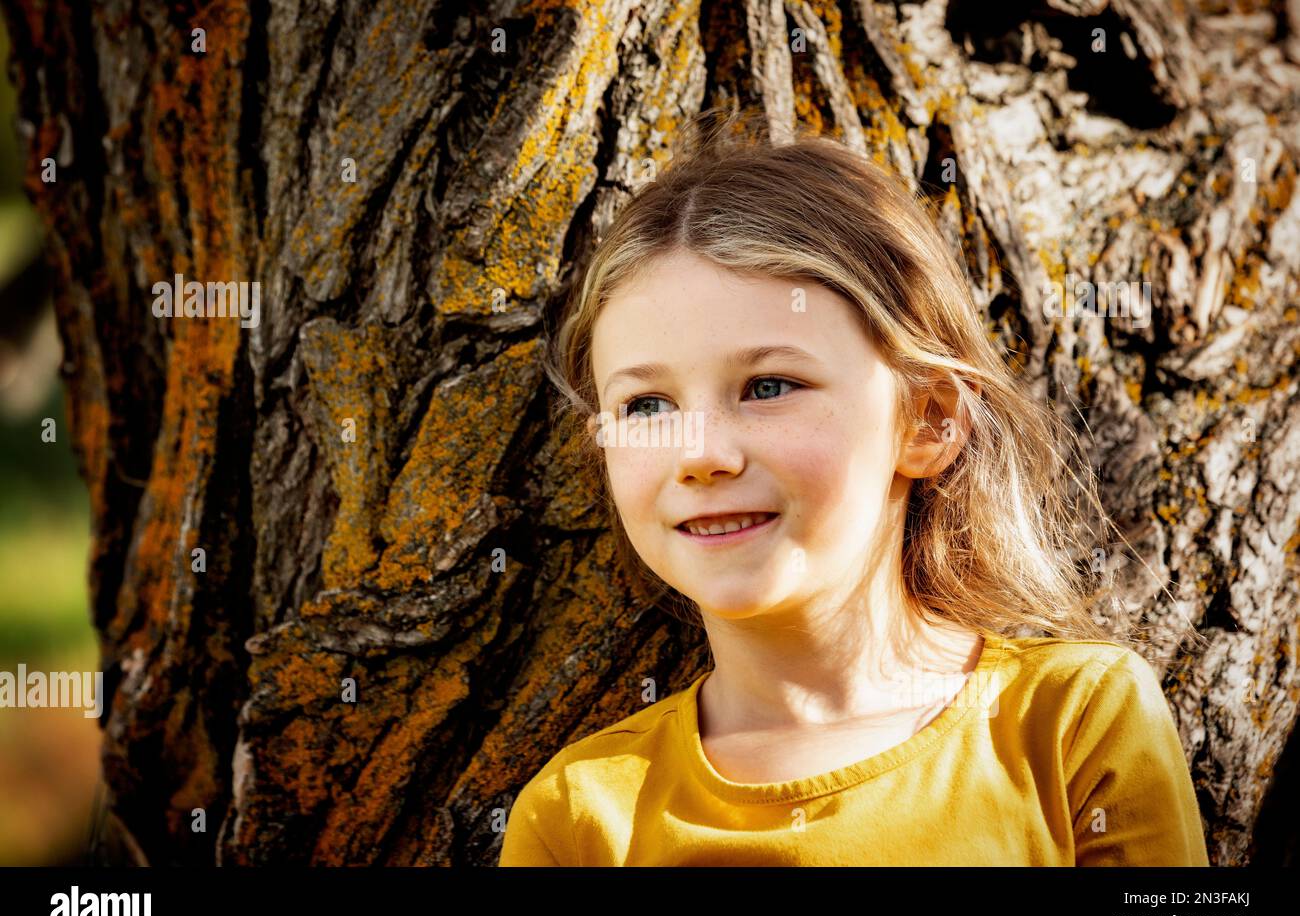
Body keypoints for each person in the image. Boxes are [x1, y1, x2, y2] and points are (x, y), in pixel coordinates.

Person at [499, 104, 1209, 867]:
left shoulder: (1075, 723)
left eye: (769, 386)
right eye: (646, 406)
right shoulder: (578, 817)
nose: (699, 455)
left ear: (928, 419)